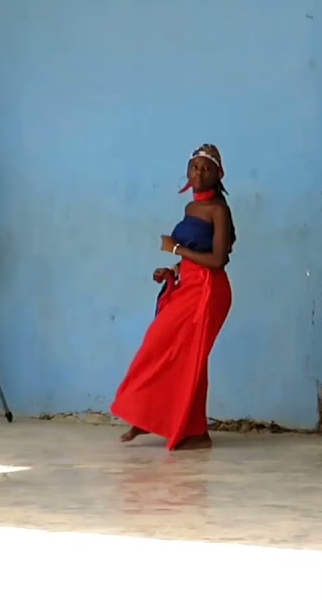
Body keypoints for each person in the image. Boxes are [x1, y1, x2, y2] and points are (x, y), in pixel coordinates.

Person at [111, 144, 236, 451]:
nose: (199, 172)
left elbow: (218, 260)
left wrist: (176, 249)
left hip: (208, 291)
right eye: (194, 167)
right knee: (167, 351)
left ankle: (176, 425)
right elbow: (196, 254)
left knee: (185, 358)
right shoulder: (191, 208)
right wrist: (173, 269)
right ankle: (176, 424)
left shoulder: (218, 209)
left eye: (206, 168)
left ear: (218, 174)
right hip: (189, 284)